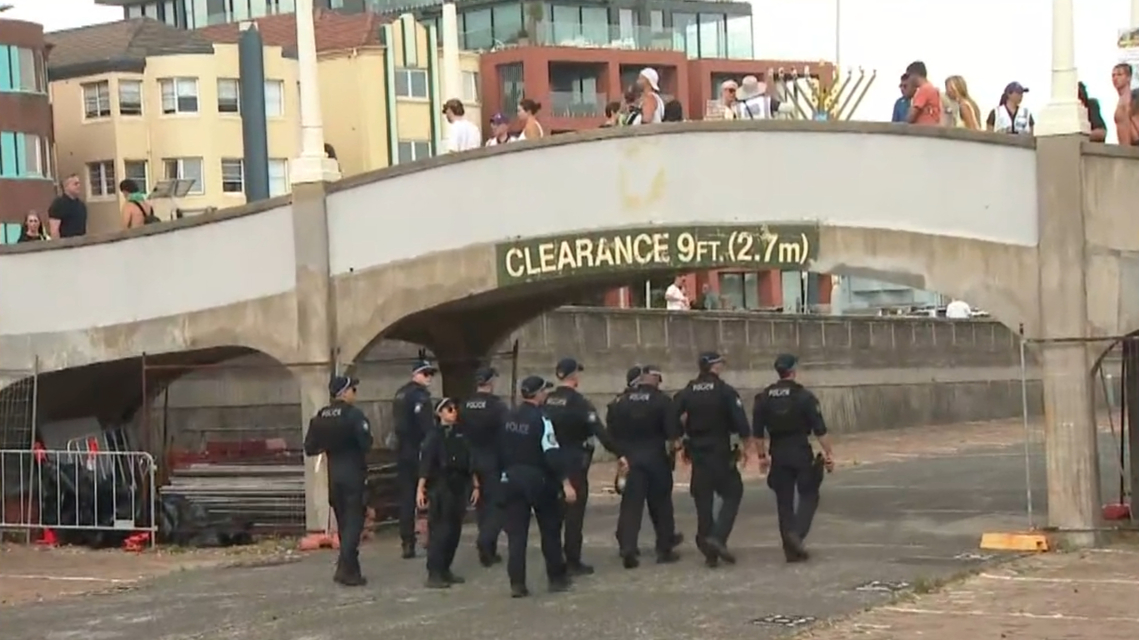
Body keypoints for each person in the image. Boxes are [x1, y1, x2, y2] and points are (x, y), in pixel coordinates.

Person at [543, 357, 624, 576]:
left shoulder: (547, 400)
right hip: (573, 461)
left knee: (552, 514)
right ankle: (572, 560)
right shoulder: (580, 403)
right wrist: (620, 453)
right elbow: (600, 431)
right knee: (573, 514)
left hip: (548, 461)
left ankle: (553, 559)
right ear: (574, 376)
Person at [752, 354, 834, 562]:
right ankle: (795, 535)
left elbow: (758, 432)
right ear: (793, 370)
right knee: (809, 493)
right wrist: (829, 453)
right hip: (799, 449)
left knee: (784, 501)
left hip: (777, 451)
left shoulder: (764, 397)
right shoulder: (804, 396)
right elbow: (819, 429)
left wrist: (761, 456)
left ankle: (790, 550)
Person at [499, 375, 575, 598]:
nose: (545, 395)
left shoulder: (508, 417)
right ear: (538, 394)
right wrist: (565, 481)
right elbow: (551, 453)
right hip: (538, 478)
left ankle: (517, 583)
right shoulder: (542, 419)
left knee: (516, 535)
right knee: (550, 530)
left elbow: (499, 448)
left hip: (511, 478)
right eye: (544, 391)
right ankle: (556, 578)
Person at [673, 351, 751, 567]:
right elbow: (740, 423)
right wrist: (747, 446)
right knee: (733, 492)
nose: (722, 367)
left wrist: (678, 440)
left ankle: (709, 550)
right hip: (720, 449)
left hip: (697, 452)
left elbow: (671, 415)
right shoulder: (724, 391)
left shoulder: (687, 392)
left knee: (703, 500)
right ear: (713, 367)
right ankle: (718, 537)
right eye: (719, 364)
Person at [608, 364, 682, 569]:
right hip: (656, 457)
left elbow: (611, 430)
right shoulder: (662, 401)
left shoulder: (620, 402)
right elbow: (672, 433)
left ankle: (628, 547)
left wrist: (621, 453)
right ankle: (664, 549)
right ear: (656, 379)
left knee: (631, 505)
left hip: (631, 458)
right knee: (661, 505)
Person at [303, 375, 373, 586]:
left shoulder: (320, 416)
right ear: (344, 392)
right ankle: (345, 569)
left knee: (344, 524)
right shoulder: (353, 415)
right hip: (353, 473)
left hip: (333, 475)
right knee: (354, 524)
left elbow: (310, 448)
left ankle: (350, 570)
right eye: (353, 389)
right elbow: (366, 443)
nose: (355, 394)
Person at [417, 397, 481, 588]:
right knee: (440, 530)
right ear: (440, 413)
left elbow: (470, 461)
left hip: (459, 483)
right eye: (448, 409)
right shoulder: (434, 436)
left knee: (454, 530)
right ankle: (434, 572)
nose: (453, 412)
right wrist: (421, 488)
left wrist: (476, 485)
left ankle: (446, 568)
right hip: (441, 484)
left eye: (454, 408)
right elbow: (426, 463)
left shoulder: (462, 434)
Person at [459, 365, 510, 566]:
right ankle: (486, 541)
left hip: (471, 459)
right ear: (490, 382)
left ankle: (489, 552)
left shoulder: (465, 404)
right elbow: (506, 433)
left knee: (481, 506)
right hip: (493, 459)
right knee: (497, 505)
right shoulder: (497, 406)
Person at [391, 359, 438, 559]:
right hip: (419, 451)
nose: (429, 378)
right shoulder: (421, 397)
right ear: (415, 374)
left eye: (430, 374)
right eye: (425, 374)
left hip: (403, 451)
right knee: (432, 493)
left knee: (406, 500)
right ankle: (432, 537)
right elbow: (427, 428)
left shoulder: (400, 394)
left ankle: (407, 542)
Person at [47, 174, 88, 239]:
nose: (78, 186)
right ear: (66, 186)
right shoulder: (58, 205)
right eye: (75, 184)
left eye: (79, 183)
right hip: (65, 245)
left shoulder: (82, 206)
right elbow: (54, 231)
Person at [904, 61, 942, 126]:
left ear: (914, 75)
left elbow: (912, 115)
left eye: (909, 76)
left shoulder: (924, 90)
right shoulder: (931, 88)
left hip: (924, 130)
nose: (908, 80)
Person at [1112, 63, 1133, 145]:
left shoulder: (1130, 100)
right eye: (1113, 75)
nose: (1115, 78)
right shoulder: (1121, 100)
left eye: (1120, 74)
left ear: (1128, 78)